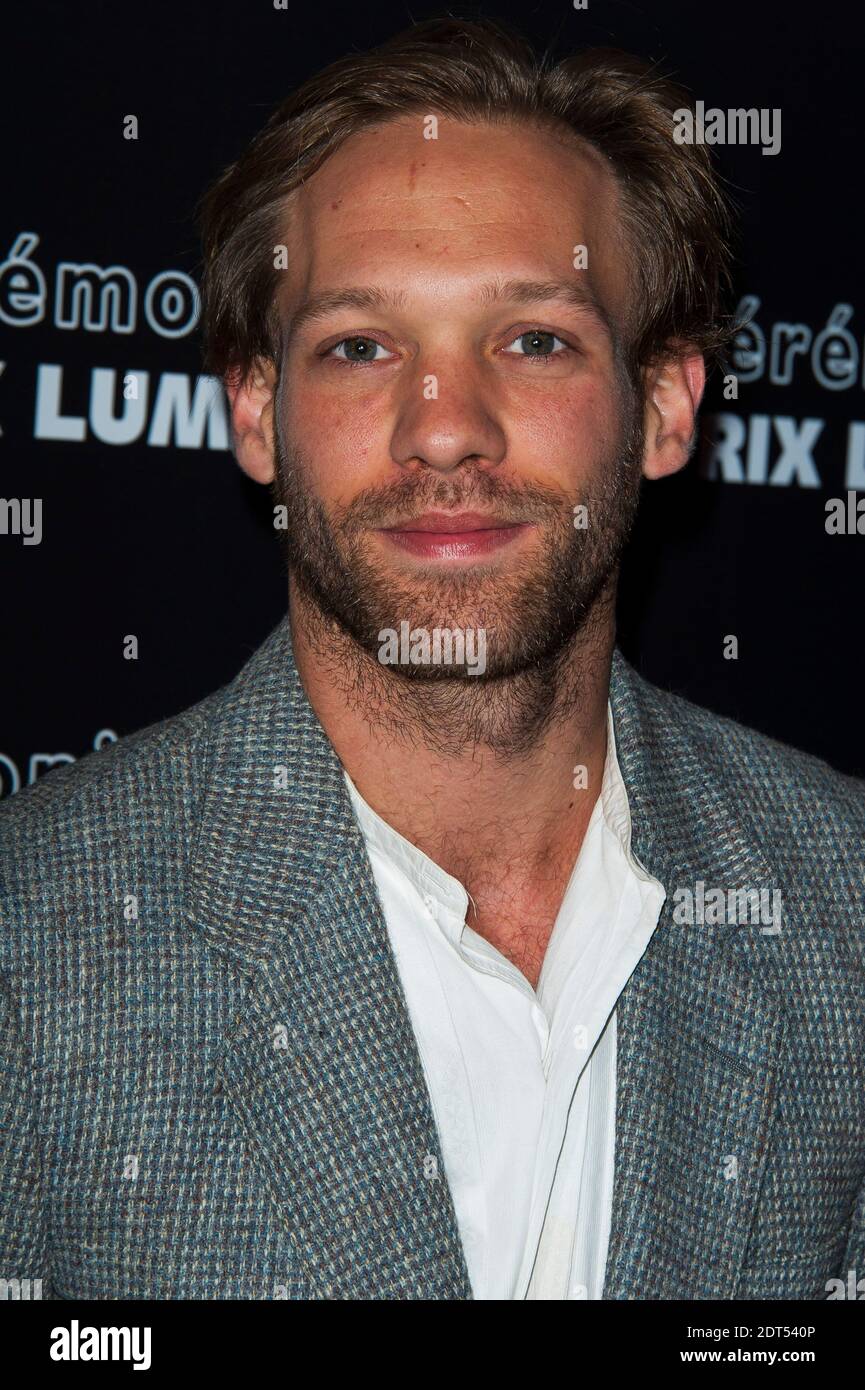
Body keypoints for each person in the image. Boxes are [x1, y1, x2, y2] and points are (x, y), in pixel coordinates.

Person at [1, 16, 863, 1302]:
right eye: (360, 345)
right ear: (255, 411)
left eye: (533, 339)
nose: (445, 429)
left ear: (667, 405)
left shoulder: (840, 898)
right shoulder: (34, 934)